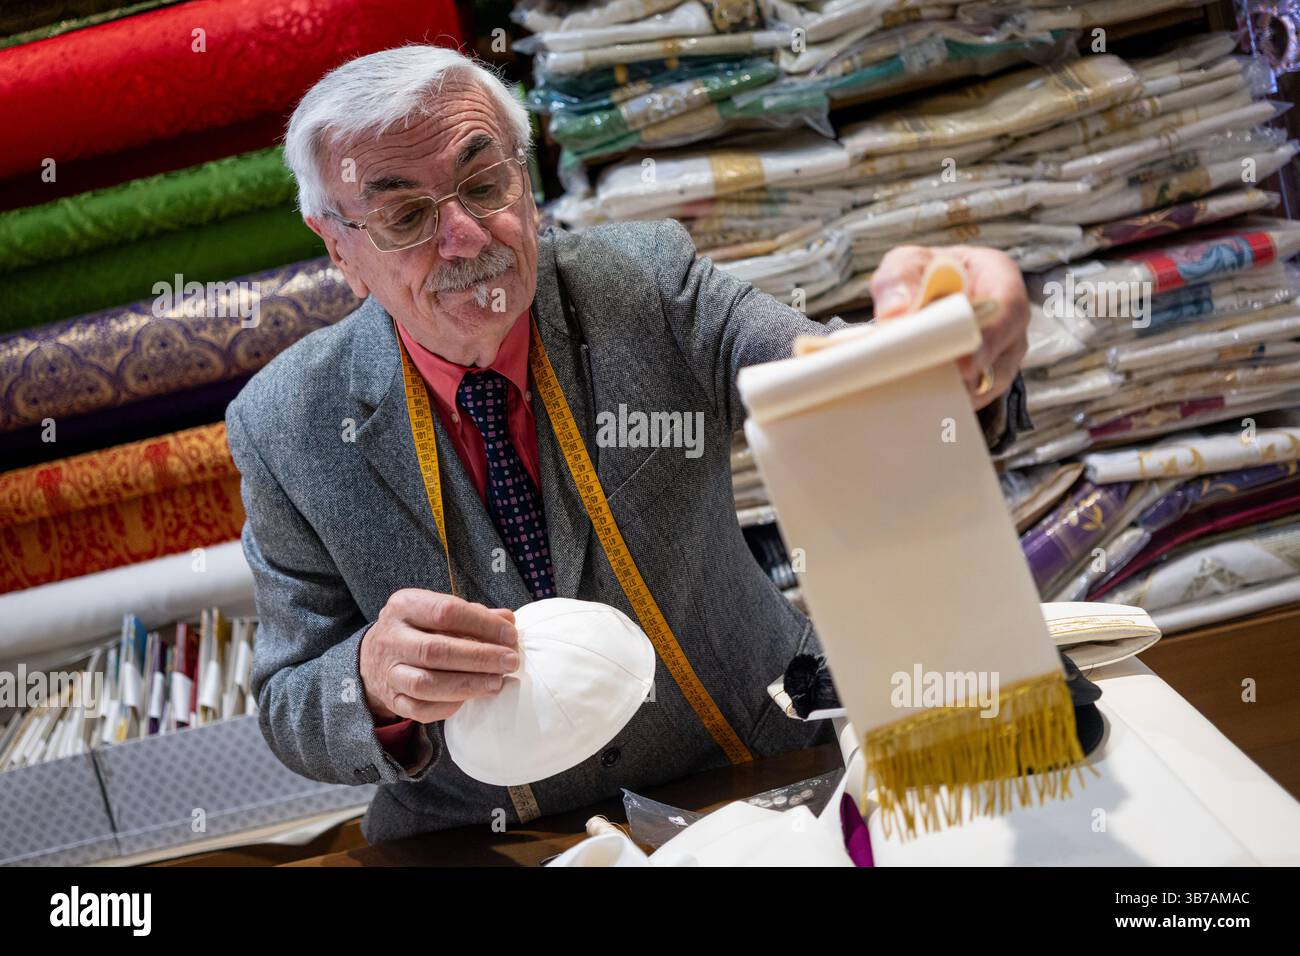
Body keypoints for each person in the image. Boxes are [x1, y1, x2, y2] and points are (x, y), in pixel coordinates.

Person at [226, 45, 1032, 843]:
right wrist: (371, 679)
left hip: (749, 771)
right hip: (493, 837)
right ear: (339, 248)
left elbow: (829, 380)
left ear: (527, 177)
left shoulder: (644, 284)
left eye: (483, 183)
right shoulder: (285, 424)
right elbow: (289, 702)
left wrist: (938, 348)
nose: (466, 236)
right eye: (405, 216)